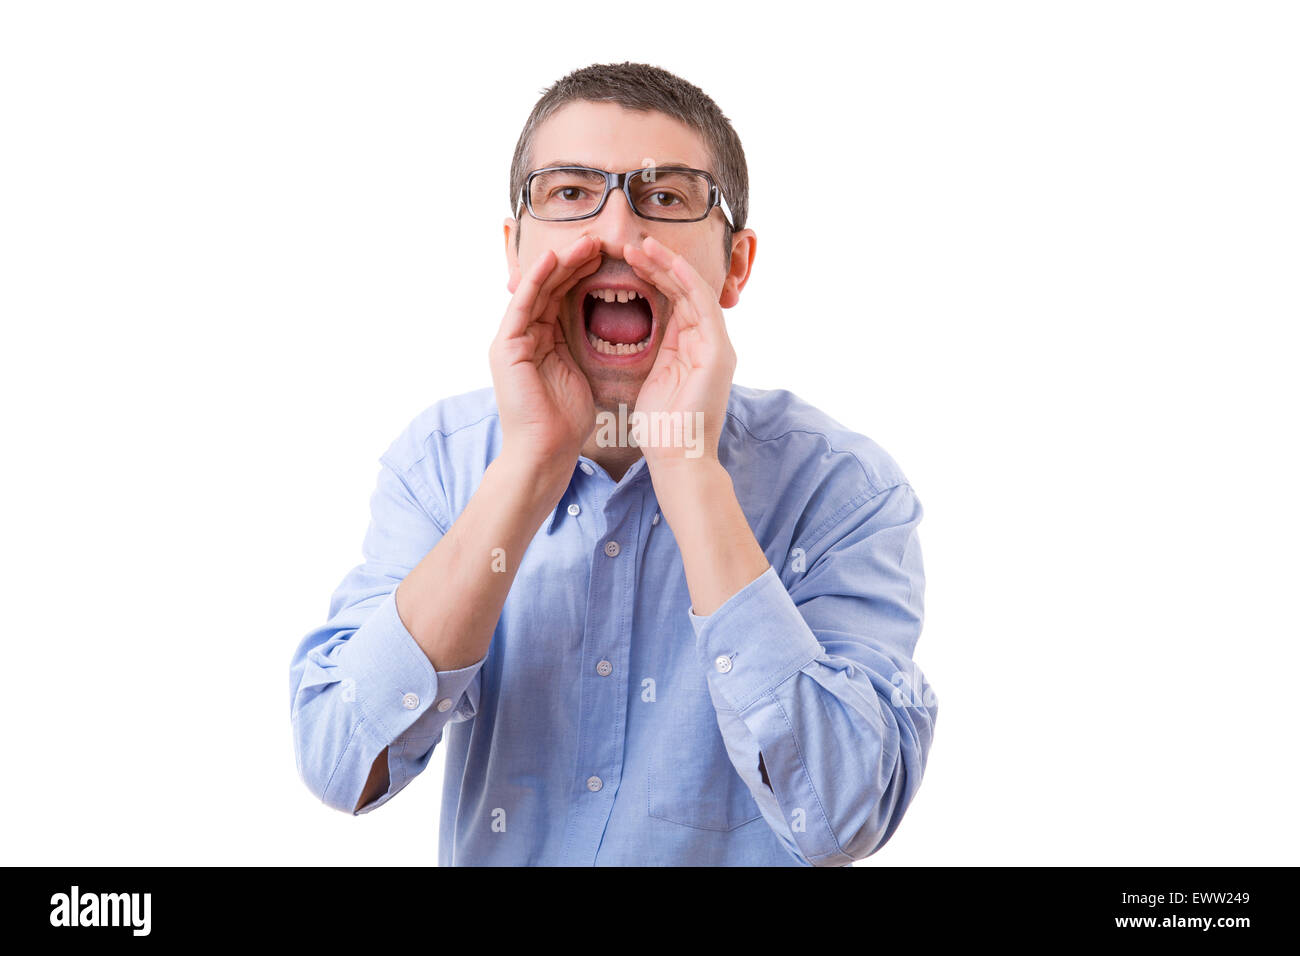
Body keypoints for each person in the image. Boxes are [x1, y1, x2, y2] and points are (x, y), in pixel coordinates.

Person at [288, 61, 938, 866]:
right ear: (513, 248)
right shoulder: (440, 466)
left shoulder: (843, 491)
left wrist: (688, 468)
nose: (617, 235)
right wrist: (529, 464)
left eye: (664, 196)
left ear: (736, 265)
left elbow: (847, 813)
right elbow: (340, 758)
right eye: (568, 193)